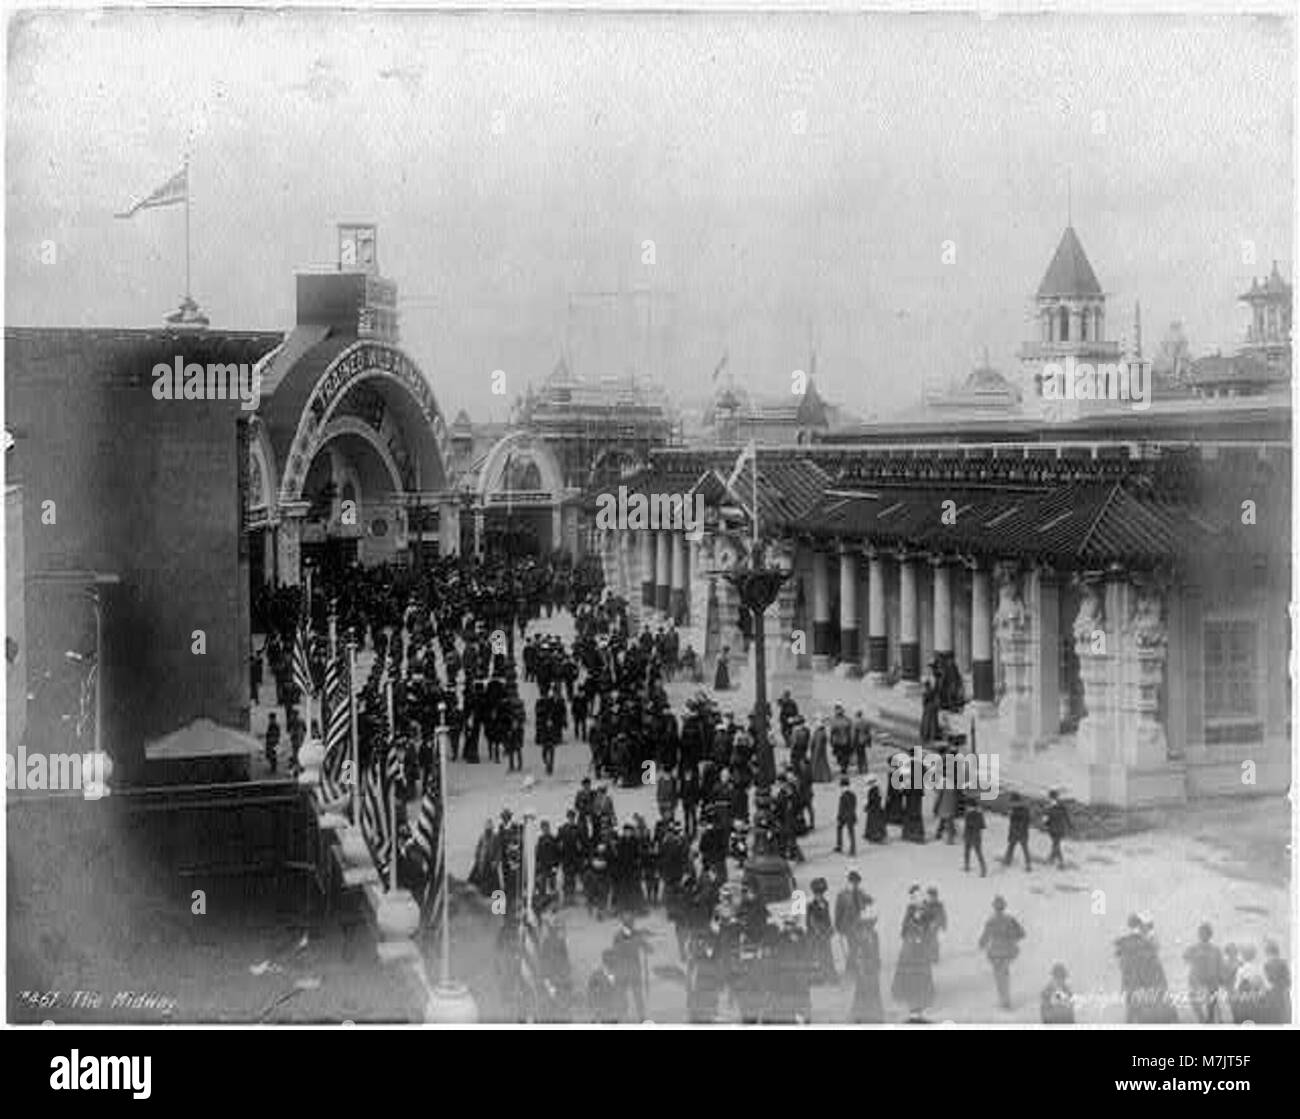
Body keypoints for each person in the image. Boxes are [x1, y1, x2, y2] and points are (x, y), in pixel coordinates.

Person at [892, 885, 935, 1019]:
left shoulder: (926, 910)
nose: (914, 899)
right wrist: (910, 927)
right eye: (912, 897)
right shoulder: (910, 909)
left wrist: (921, 929)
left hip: (921, 945)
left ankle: (922, 993)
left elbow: (929, 926)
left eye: (916, 897)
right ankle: (905, 991)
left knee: (920, 969)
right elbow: (904, 927)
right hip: (910, 945)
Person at [978, 894, 1025, 1011]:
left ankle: (1004, 1000)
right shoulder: (1010, 919)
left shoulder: (991, 921)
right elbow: (1021, 934)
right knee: (1004, 975)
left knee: (999, 976)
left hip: (995, 952)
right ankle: (1005, 1000)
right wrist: (1012, 939)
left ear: (994, 908)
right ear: (1004, 907)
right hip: (1008, 952)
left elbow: (984, 938)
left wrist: (981, 944)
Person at [1183, 922, 1225, 1024]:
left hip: (1209, 981)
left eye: (1204, 933)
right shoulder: (1195, 948)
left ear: (1209, 935)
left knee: (1209, 1004)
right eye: (1201, 933)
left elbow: (1219, 966)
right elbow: (1185, 958)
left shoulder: (1214, 949)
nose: (1202, 935)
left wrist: (1220, 979)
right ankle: (1204, 1020)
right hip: (1199, 981)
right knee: (1197, 1001)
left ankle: (1207, 1020)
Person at [850, 904, 885, 1023]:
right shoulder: (859, 936)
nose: (870, 926)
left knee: (874, 990)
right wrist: (861, 968)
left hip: (872, 968)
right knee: (862, 991)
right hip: (864, 969)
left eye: (871, 924)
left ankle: (875, 1013)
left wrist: (877, 963)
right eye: (867, 924)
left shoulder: (874, 935)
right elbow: (857, 955)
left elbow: (876, 951)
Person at [834, 869, 868, 976]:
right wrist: (838, 926)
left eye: (857, 883)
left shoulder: (860, 892)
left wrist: (870, 901)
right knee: (854, 947)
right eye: (854, 882)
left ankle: (853, 968)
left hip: (859, 924)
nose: (856, 885)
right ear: (850, 882)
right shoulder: (843, 895)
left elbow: (867, 900)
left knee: (857, 947)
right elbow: (838, 911)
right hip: (848, 926)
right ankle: (851, 969)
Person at [806, 877, 837, 984]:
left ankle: (831, 976)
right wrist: (816, 932)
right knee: (819, 956)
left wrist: (830, 928)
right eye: (817, 894)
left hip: (825, 933)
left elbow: (827, 918)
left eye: (821, 894)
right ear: (814, 895)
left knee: (828, 955)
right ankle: (820, 977)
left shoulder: (826, 903)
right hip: (816, 935)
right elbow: (810, 922)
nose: (819, 896)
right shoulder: (810, 906)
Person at [1262, 940, 1291, 1024]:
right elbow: (1288, 981)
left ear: (1268, 952)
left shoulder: (1267, 965)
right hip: (1283, 994)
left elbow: (1267, 981)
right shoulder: (1284, 963)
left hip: (1272, 994)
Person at [1003, 792, 1032, 870]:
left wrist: (1015, 830)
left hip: (1018, 832)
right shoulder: (1020, 809)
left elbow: (1020, 822)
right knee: (1017, 847)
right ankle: (1027, 864)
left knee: (1018, 847)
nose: (1011, 803)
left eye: (1012, 801)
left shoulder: (1019, 810)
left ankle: (1008, 861)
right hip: (1020, 832)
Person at [1044, 789, 1071, 869]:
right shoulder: (1061, 806)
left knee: (1056, 845)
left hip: (1054, 829)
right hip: (1058, 828)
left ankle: (1060, 862)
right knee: (1056, 844)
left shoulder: (1050, 806)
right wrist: (1069, 825)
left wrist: (1045, 824)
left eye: (1050, 797)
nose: (1050, 798)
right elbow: (1066, 817)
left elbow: (1046, 818)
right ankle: (1052, 859)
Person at [962, 795, 987, 876]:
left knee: (974, 852)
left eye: (968, 806)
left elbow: (969, 825)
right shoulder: (977, 814)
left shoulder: (971, 815)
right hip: (974, 836)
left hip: (972, 836)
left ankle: (982, 869)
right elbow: (983, 826)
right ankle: (969, 866)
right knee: (972, 852)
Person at [922, 886, 947, 964]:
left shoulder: (938, 905)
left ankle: (934, 957)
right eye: (930, 896)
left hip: (934, 925)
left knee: (933, 942)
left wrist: (943, 925)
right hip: (925, 925)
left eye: (933, 896)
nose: (931, 898)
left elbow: (943, 915)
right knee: (924, 941)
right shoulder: (924, 904)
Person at [835, 777, 858, 856]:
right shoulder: (852, 795)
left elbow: (842, 807)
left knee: (845, 830)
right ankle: (850, 848)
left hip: (845, 816)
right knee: (849, 831)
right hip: (850, 816)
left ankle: (843, 846)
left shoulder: (844, 796)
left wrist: (839, 816)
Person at [863, 777, 887, 844]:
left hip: (874, 810)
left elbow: (872, 800)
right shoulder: (876, 789)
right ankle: (876, 835)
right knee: (875, 823)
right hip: (875, 809)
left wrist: (868, 806)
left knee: (875, 824)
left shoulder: (874, 790)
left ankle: (876, 836)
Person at [811, 716, 833, 783]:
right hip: (820, 751)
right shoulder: (822, 732)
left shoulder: (819, 733)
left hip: (818, 751)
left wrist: (815, 753)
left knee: (819, 765)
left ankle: (820, 778)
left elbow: (818, 744)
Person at [852, 709, 872, 775]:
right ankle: (865, 768)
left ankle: (860, 769)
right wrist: (869, 742)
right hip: (865, 740)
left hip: (858, 741)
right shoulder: (866, 722)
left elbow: (855, 734)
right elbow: (869, 733)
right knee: (864, 755)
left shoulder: (856, 723)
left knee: (859, 756)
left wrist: (853, 743)